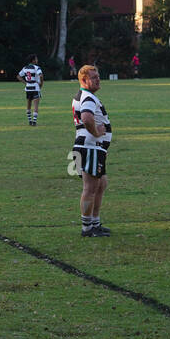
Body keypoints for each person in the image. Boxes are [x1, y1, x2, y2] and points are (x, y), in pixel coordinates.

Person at [71, 65, 113, 237]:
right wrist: (97, 133)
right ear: (83, 80)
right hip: (89, 148)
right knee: (90, 187)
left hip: (91, 148)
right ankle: (87, 228)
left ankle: (94, 223)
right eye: (94, 77)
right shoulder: (88, 97)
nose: (98, 79)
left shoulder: (85, 96)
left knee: (101, 183)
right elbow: (86, 118)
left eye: (98, 76)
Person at [17, 55, 44, 126]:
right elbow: (41, 76)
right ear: (33, 60)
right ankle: (34, 122)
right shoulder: (37, 68)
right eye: (36, 59)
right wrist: (41, 84)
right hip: (35, 87)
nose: (37, 60)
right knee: (36, 105)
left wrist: (25, 83)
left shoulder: (25, 68)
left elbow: (18, 76)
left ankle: (29, 121)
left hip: (28, 88)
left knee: (28, 105)